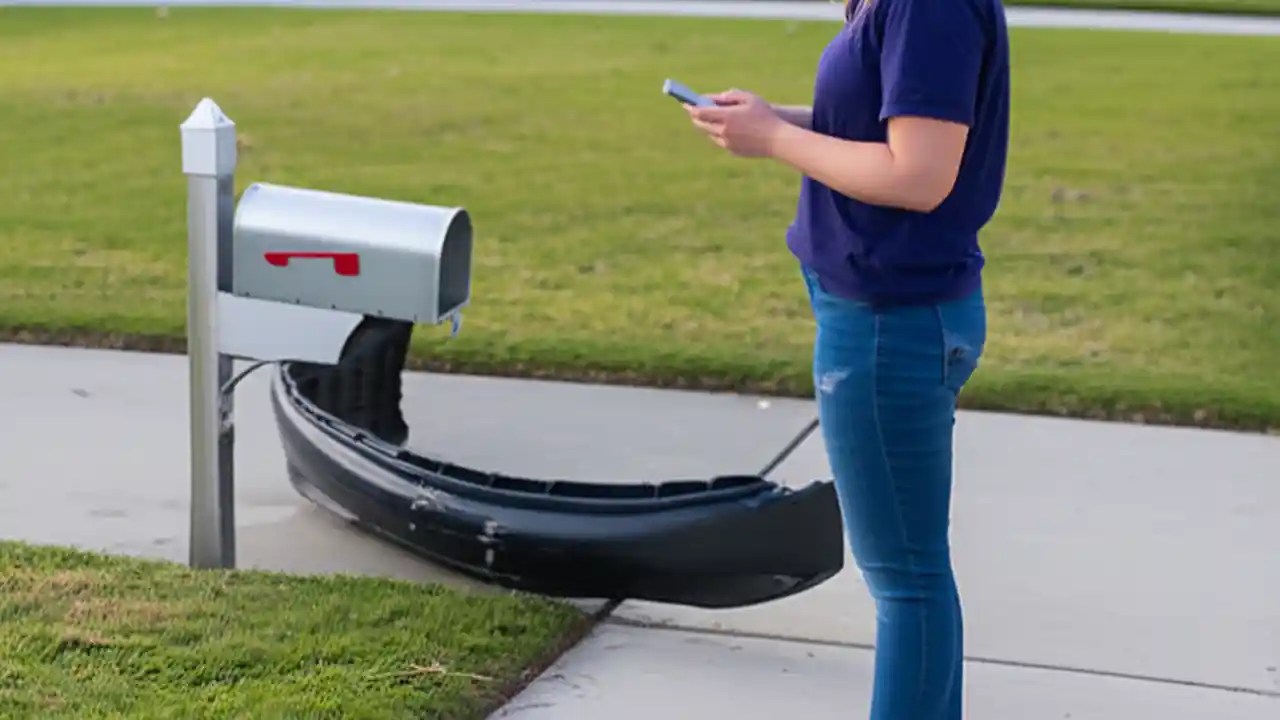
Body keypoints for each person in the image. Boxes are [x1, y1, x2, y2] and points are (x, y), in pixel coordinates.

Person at [683, 0, 1010, 718]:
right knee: (914, 572)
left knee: (907, 580)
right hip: (887, 311)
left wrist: (772, 138)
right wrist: (773, 122)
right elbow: (884, 124)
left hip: (891, 323)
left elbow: (919, 176)